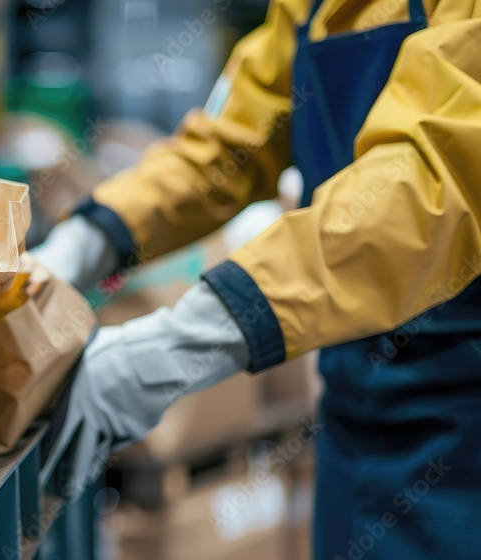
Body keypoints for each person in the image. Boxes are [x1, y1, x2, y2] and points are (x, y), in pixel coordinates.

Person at [33, 0, 481, 557]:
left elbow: (438, 178)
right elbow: (234, 139)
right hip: (354, 416)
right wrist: (89, 239)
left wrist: (188, 340)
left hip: (464, 435)